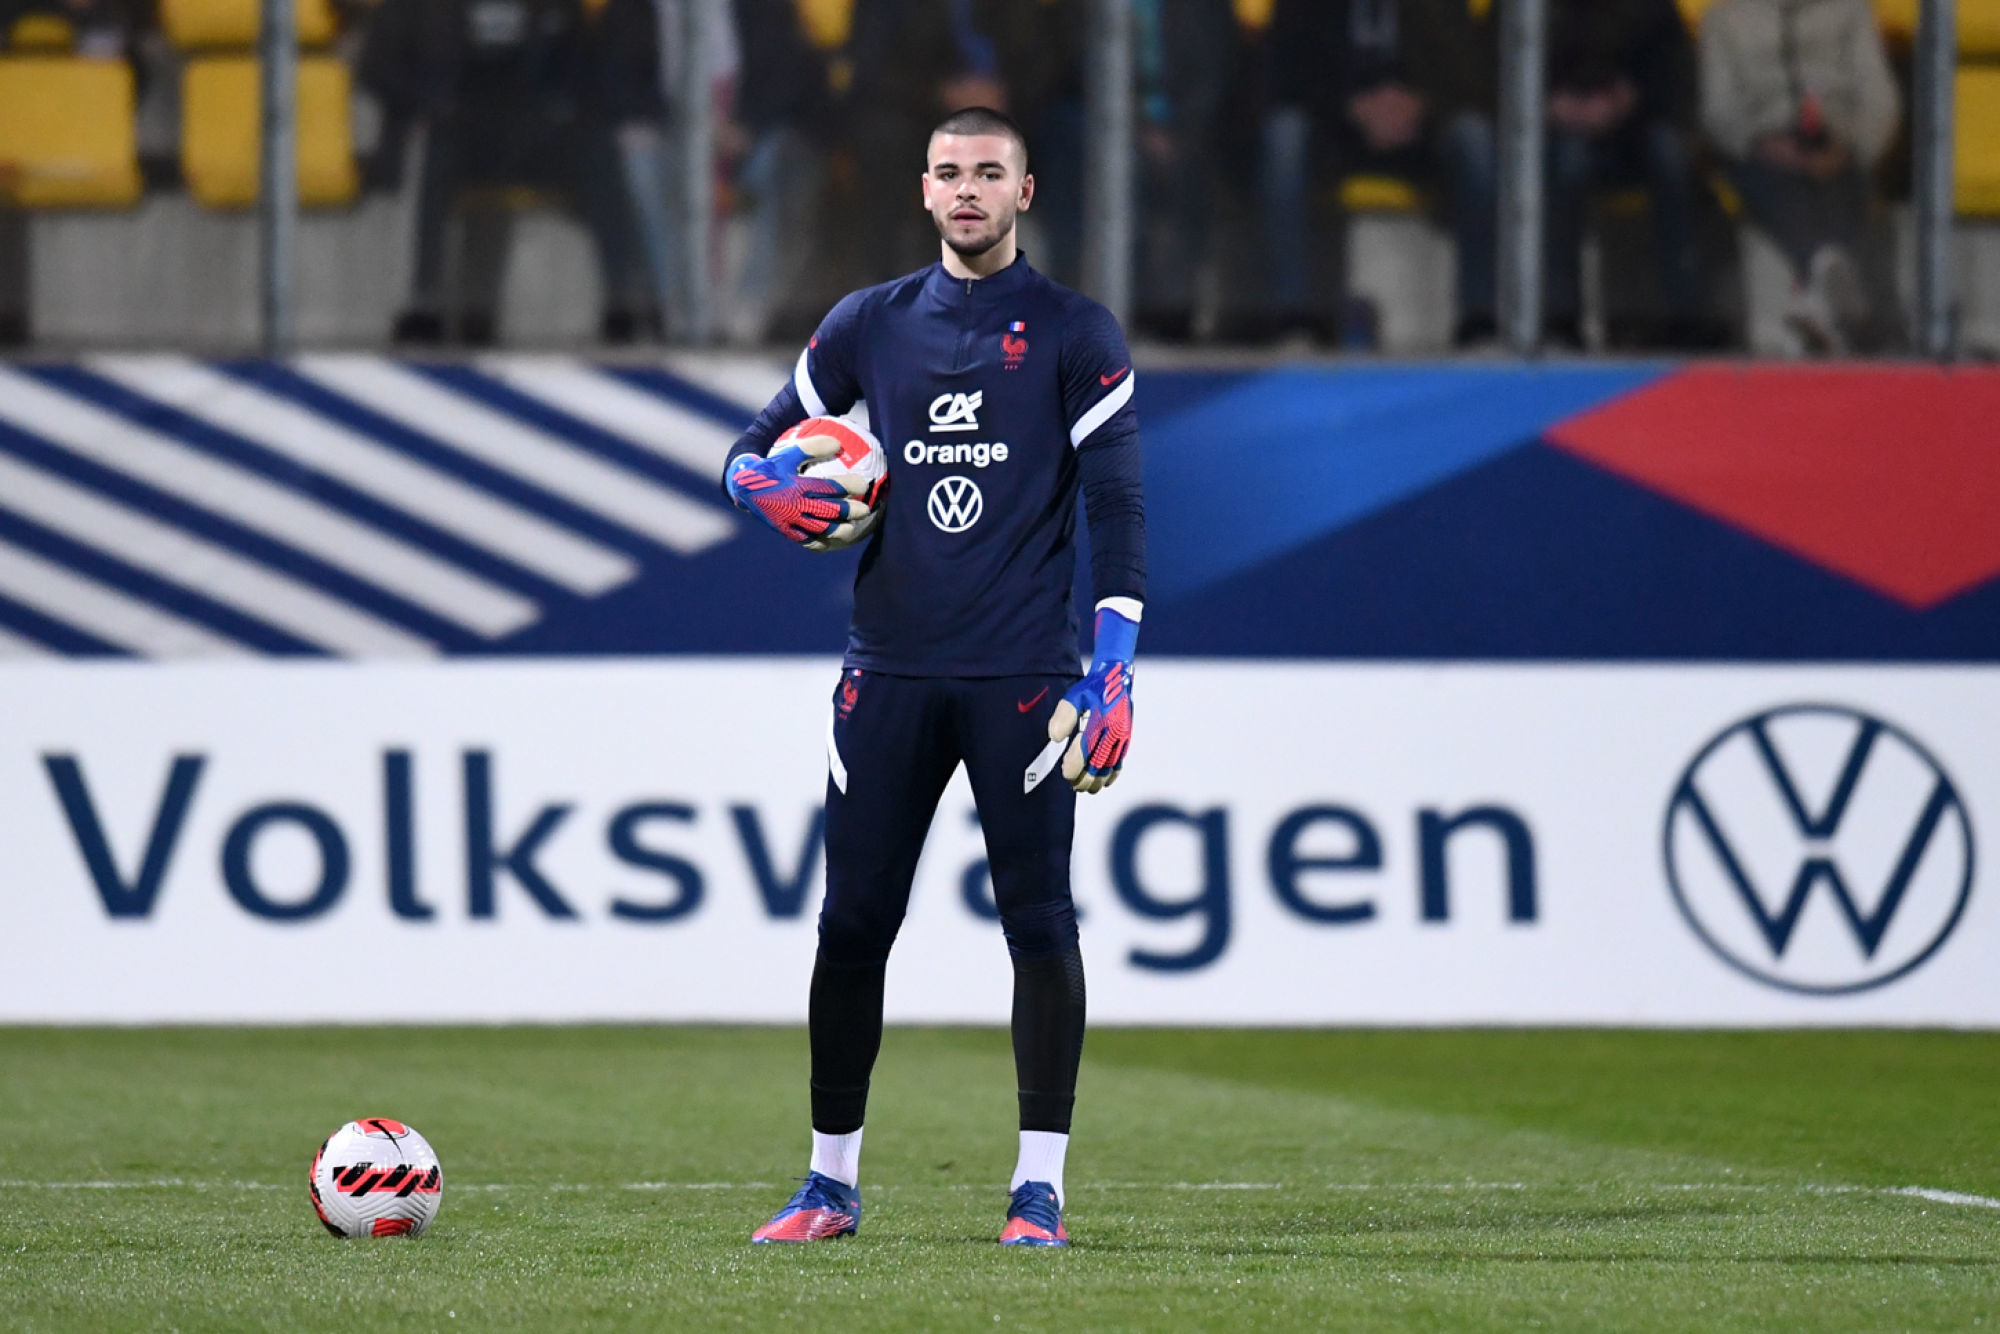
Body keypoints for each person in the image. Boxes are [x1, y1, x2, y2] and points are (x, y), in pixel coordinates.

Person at [720, 105, 1145, 1248]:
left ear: (1025, 190)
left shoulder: (1073, 331)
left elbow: (1115, 508)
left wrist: (1114, 670)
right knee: (850, 924)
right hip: (888, 673)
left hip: (1024, 676)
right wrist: (757, 489)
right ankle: (826, 1183)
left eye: (988, 173)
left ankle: (1037, 1190)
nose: (967, 189)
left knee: (1039, 924)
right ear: (923, 191)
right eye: (949, 172)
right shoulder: (870, 324)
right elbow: (750, 447)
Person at [1253, 0, 1494, 345]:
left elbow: (1470, 74)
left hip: (1421, 129)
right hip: (1335, 127)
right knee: (1284, 136)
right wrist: (1352, 106)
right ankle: (1294, 320)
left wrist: (1419, 103)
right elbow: (1283, 73)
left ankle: (1481, 320)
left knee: (1475, 138)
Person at [1700, 0, 1899, 353]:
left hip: (1836, 142)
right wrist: (1759, 144)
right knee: (1778, 182)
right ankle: (1829, 280)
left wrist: (1848, 145)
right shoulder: (1724, 19)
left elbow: (1878, 97)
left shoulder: (1849, 12)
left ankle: (1819, 292)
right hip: (1759, 147)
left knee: (1845, 178)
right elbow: (1718, 108)